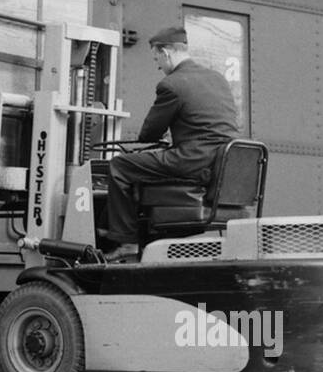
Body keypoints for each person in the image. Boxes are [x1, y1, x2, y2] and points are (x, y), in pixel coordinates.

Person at [101, 25, 238, 261]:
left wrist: (163, 137)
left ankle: (126, 241)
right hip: (223, 162)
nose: (158, 66)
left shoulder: (172, 84)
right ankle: (121, 229)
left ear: (166, 53)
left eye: (157, 58)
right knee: (139, 168)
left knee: (120, 166)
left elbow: (149, 133)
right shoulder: (218, 79)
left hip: (192, 160)